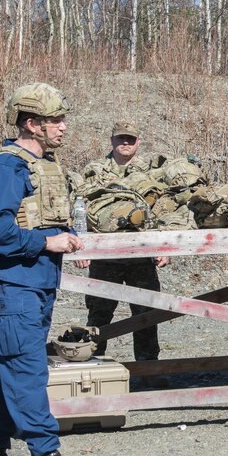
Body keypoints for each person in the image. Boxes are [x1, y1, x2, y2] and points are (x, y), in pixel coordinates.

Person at [0, 83, 97, 456]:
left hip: (35, 284)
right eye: (55, 120)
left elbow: (34, 220)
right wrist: (46, 242)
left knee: (9, 366)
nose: (62, 127)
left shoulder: (44, 165)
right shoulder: (7, 167)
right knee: (28, 370)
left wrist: (62, 234)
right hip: (13, 286)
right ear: (31, 124)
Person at [78, 120, 169, 369]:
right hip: (105, 258)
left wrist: (165, 248)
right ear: (112, 140)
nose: (125, 143)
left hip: (141, 257)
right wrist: (82, 247)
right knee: (99, 316)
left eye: (130, 139)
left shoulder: (151, 173)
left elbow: (162, 211)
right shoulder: (94, 170)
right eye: (121, 138)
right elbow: (80, 209)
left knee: (146, 315)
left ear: (138, 142)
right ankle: (93, 369)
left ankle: (148, 368)